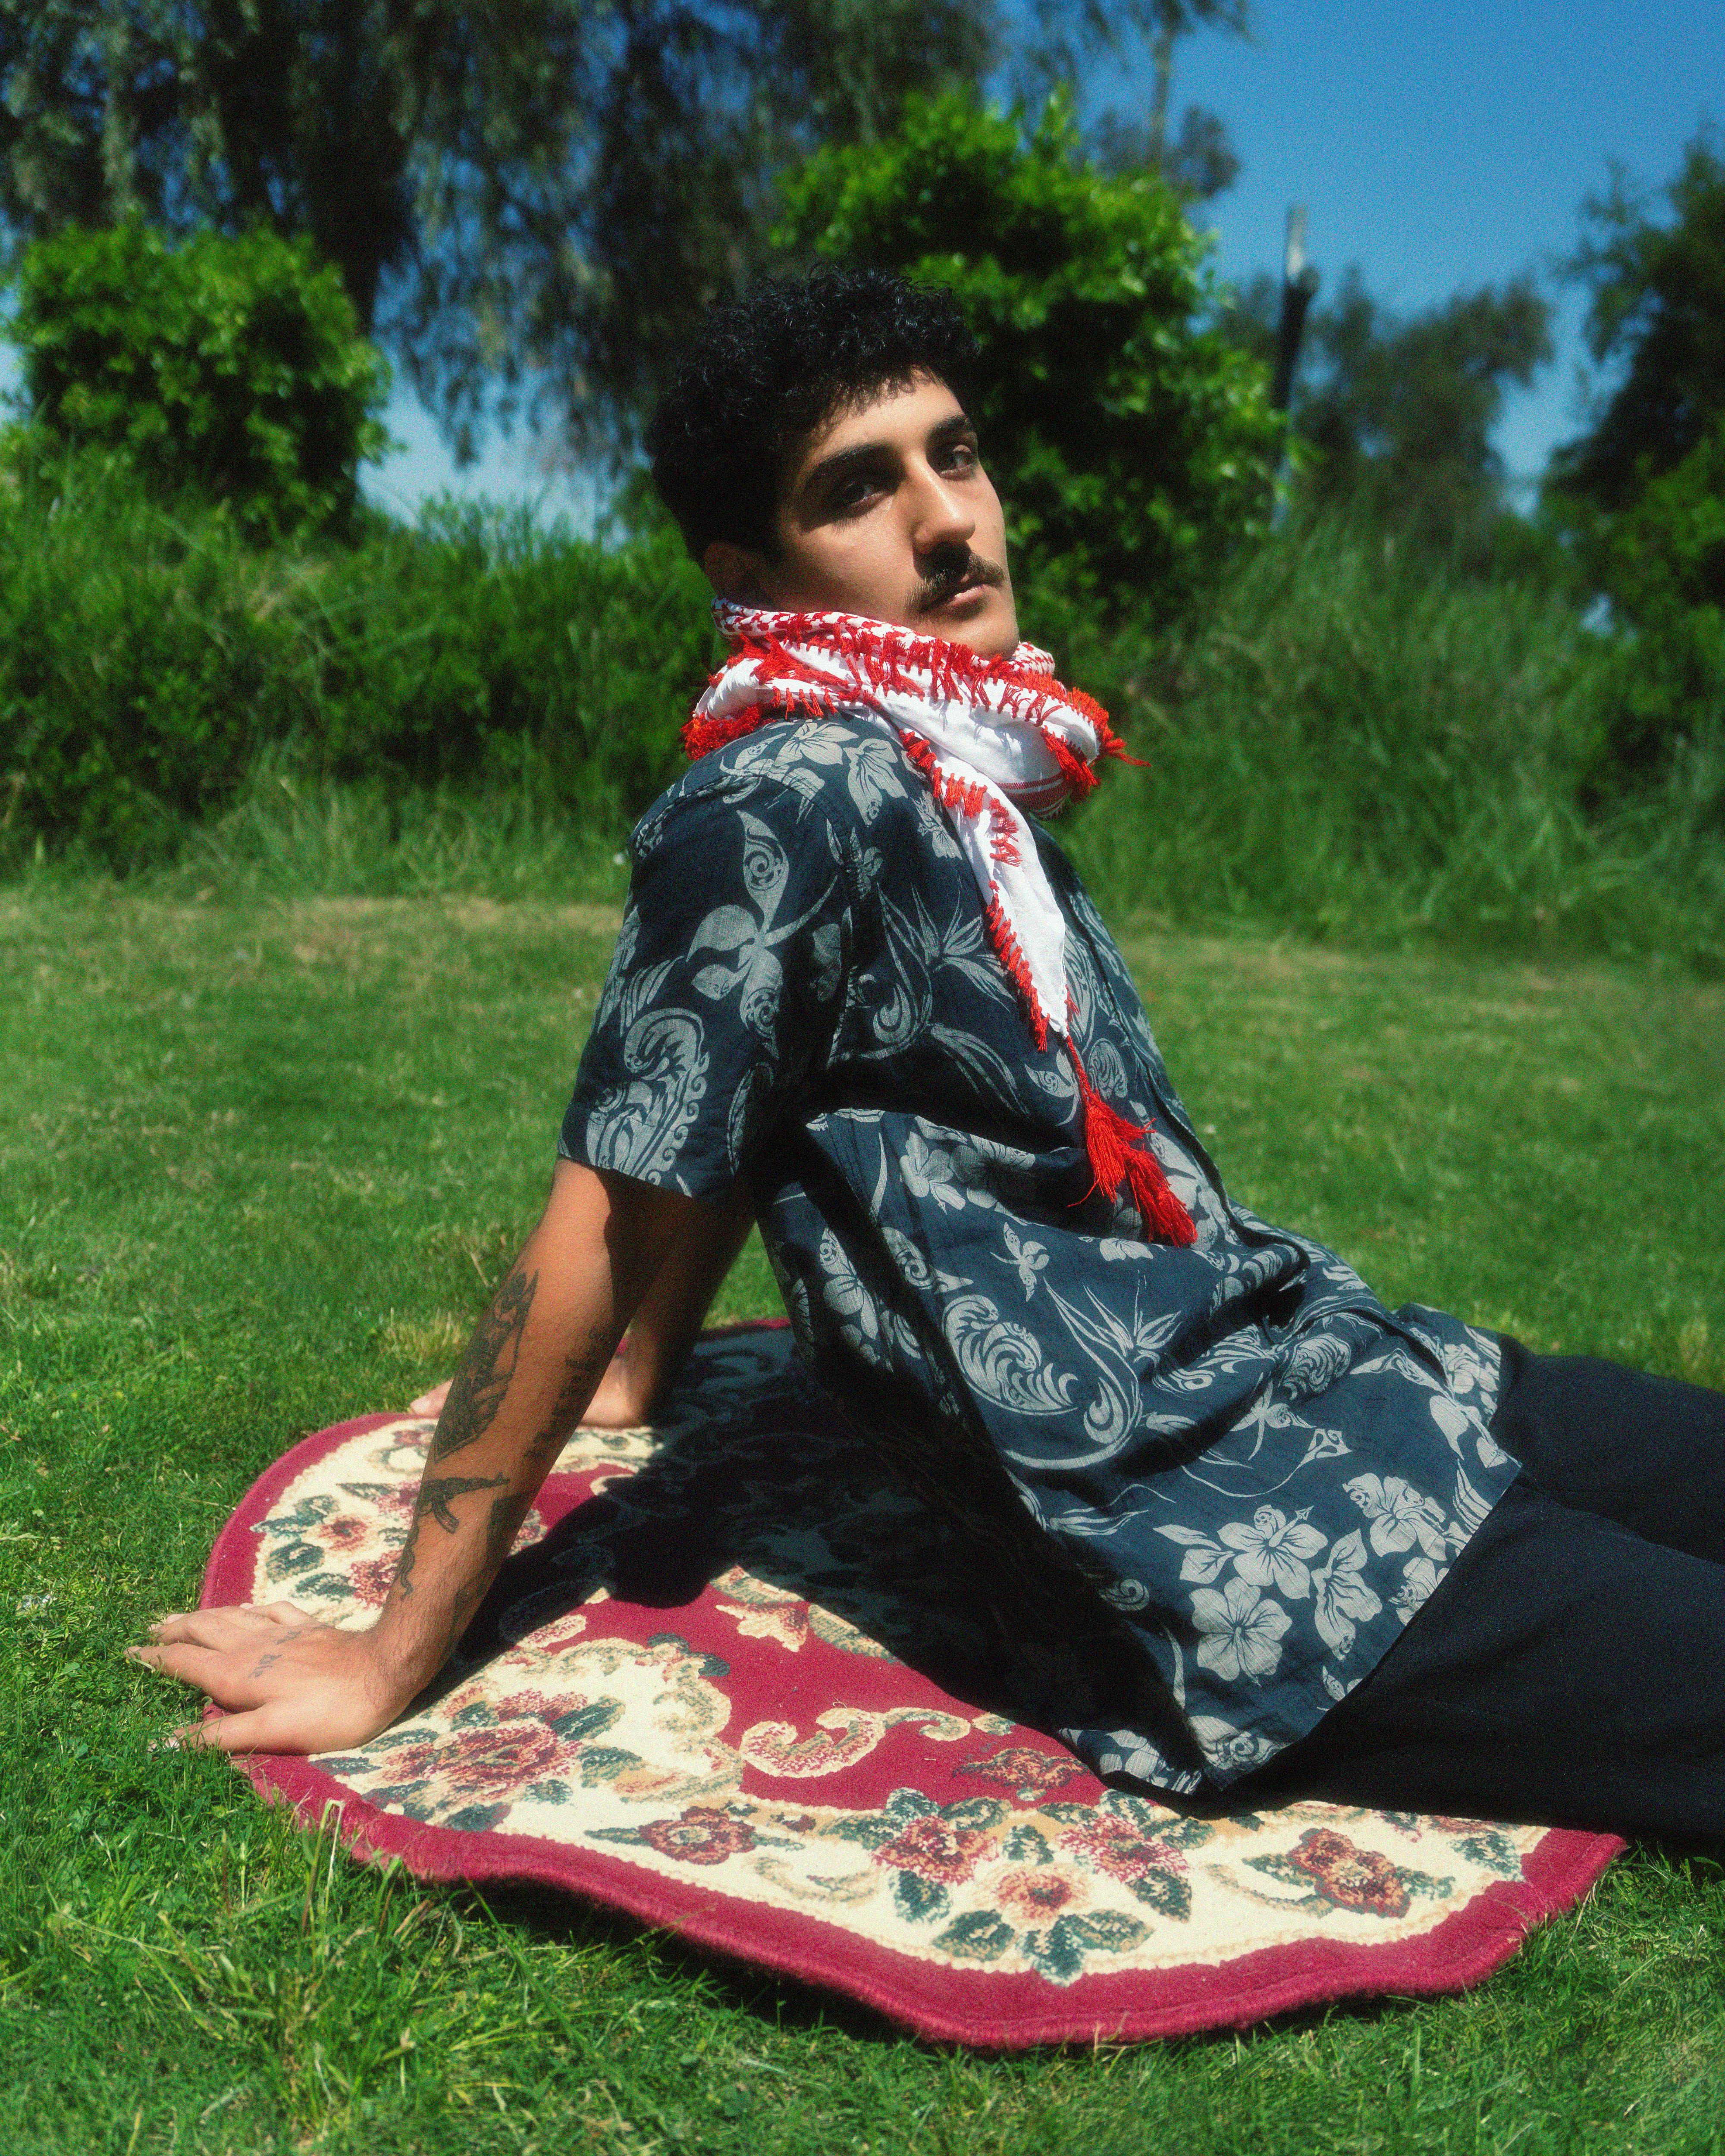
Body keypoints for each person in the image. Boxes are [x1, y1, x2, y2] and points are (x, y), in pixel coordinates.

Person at [133, 266, 1725, 1843]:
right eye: (860, 489)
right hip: (1241, 1537)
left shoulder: (956, 766)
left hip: (1338, 1361)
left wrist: (642, 1377)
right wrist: (396, 1648)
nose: (948, 519)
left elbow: (736, 1103)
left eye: (954, 454)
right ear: (751, 566)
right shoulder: (790, 794)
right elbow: (610, 1208)